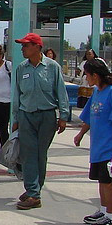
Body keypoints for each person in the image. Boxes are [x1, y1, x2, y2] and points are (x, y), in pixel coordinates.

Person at [12, 32, 70, 210]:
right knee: (29, 154)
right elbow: (17, 95)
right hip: (26, 115)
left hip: (47, 116)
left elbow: (61, 91)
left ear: (37, 47)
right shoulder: (21, 68)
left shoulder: (52, 67)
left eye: (26, 45)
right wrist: (15, 118)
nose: (22, 49)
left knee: (40, 154)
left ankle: (35, 189)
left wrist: (63, 116)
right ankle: (33, 192)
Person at [73, 58, 112, 225]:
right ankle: (104, 210)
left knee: (107, 181)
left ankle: (111, 217)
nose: (86, 78)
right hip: (97, 146)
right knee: (100, 180)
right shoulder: (96, 92)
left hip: (110, 147)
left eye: (87, 75)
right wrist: (81, 134)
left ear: (95, 75)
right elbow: (89, 116)